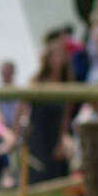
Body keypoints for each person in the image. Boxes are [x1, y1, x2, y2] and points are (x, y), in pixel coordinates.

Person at [23, 31, 76, 184]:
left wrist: (61, 142)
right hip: (38, 132)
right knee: (38, 175)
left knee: (57, 176)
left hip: (55, 133)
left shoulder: (66, 84)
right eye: (54, 56)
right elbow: (25, 105)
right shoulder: (38, 81)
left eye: (60, 56)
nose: (57, 60)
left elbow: (66, 116)